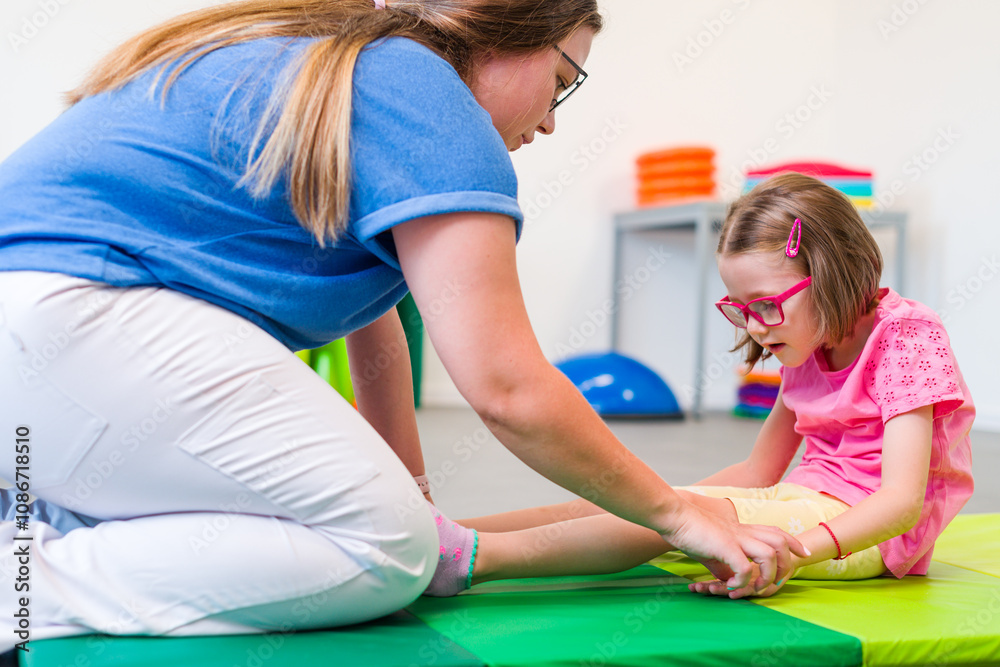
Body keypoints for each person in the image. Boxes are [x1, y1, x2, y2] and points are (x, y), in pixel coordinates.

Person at [0, 0, 805, 651]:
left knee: (393, 528)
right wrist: (677, 513)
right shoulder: (427, 96)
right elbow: (505, 385)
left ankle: (50, 524)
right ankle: (25, 585)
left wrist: (415, 497)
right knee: (387, 552)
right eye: (562, 79)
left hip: (47, 355)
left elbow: (373, 322)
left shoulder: (344, 67)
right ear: (501, 31)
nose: (553, 122)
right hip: (75, 320)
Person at [424, 172, 975, 599]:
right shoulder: (807, 339)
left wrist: (795, 552)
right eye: (741, 308)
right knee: (636, 503)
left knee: (673, 524)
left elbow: (901, 502)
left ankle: (471, 561)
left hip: (865, 536)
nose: (756, 326)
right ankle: (440, 533)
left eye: (768, 306)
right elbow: (759, 471)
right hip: (805, 504)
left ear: (832, 275)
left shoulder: (905, 336)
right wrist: (671, 499)